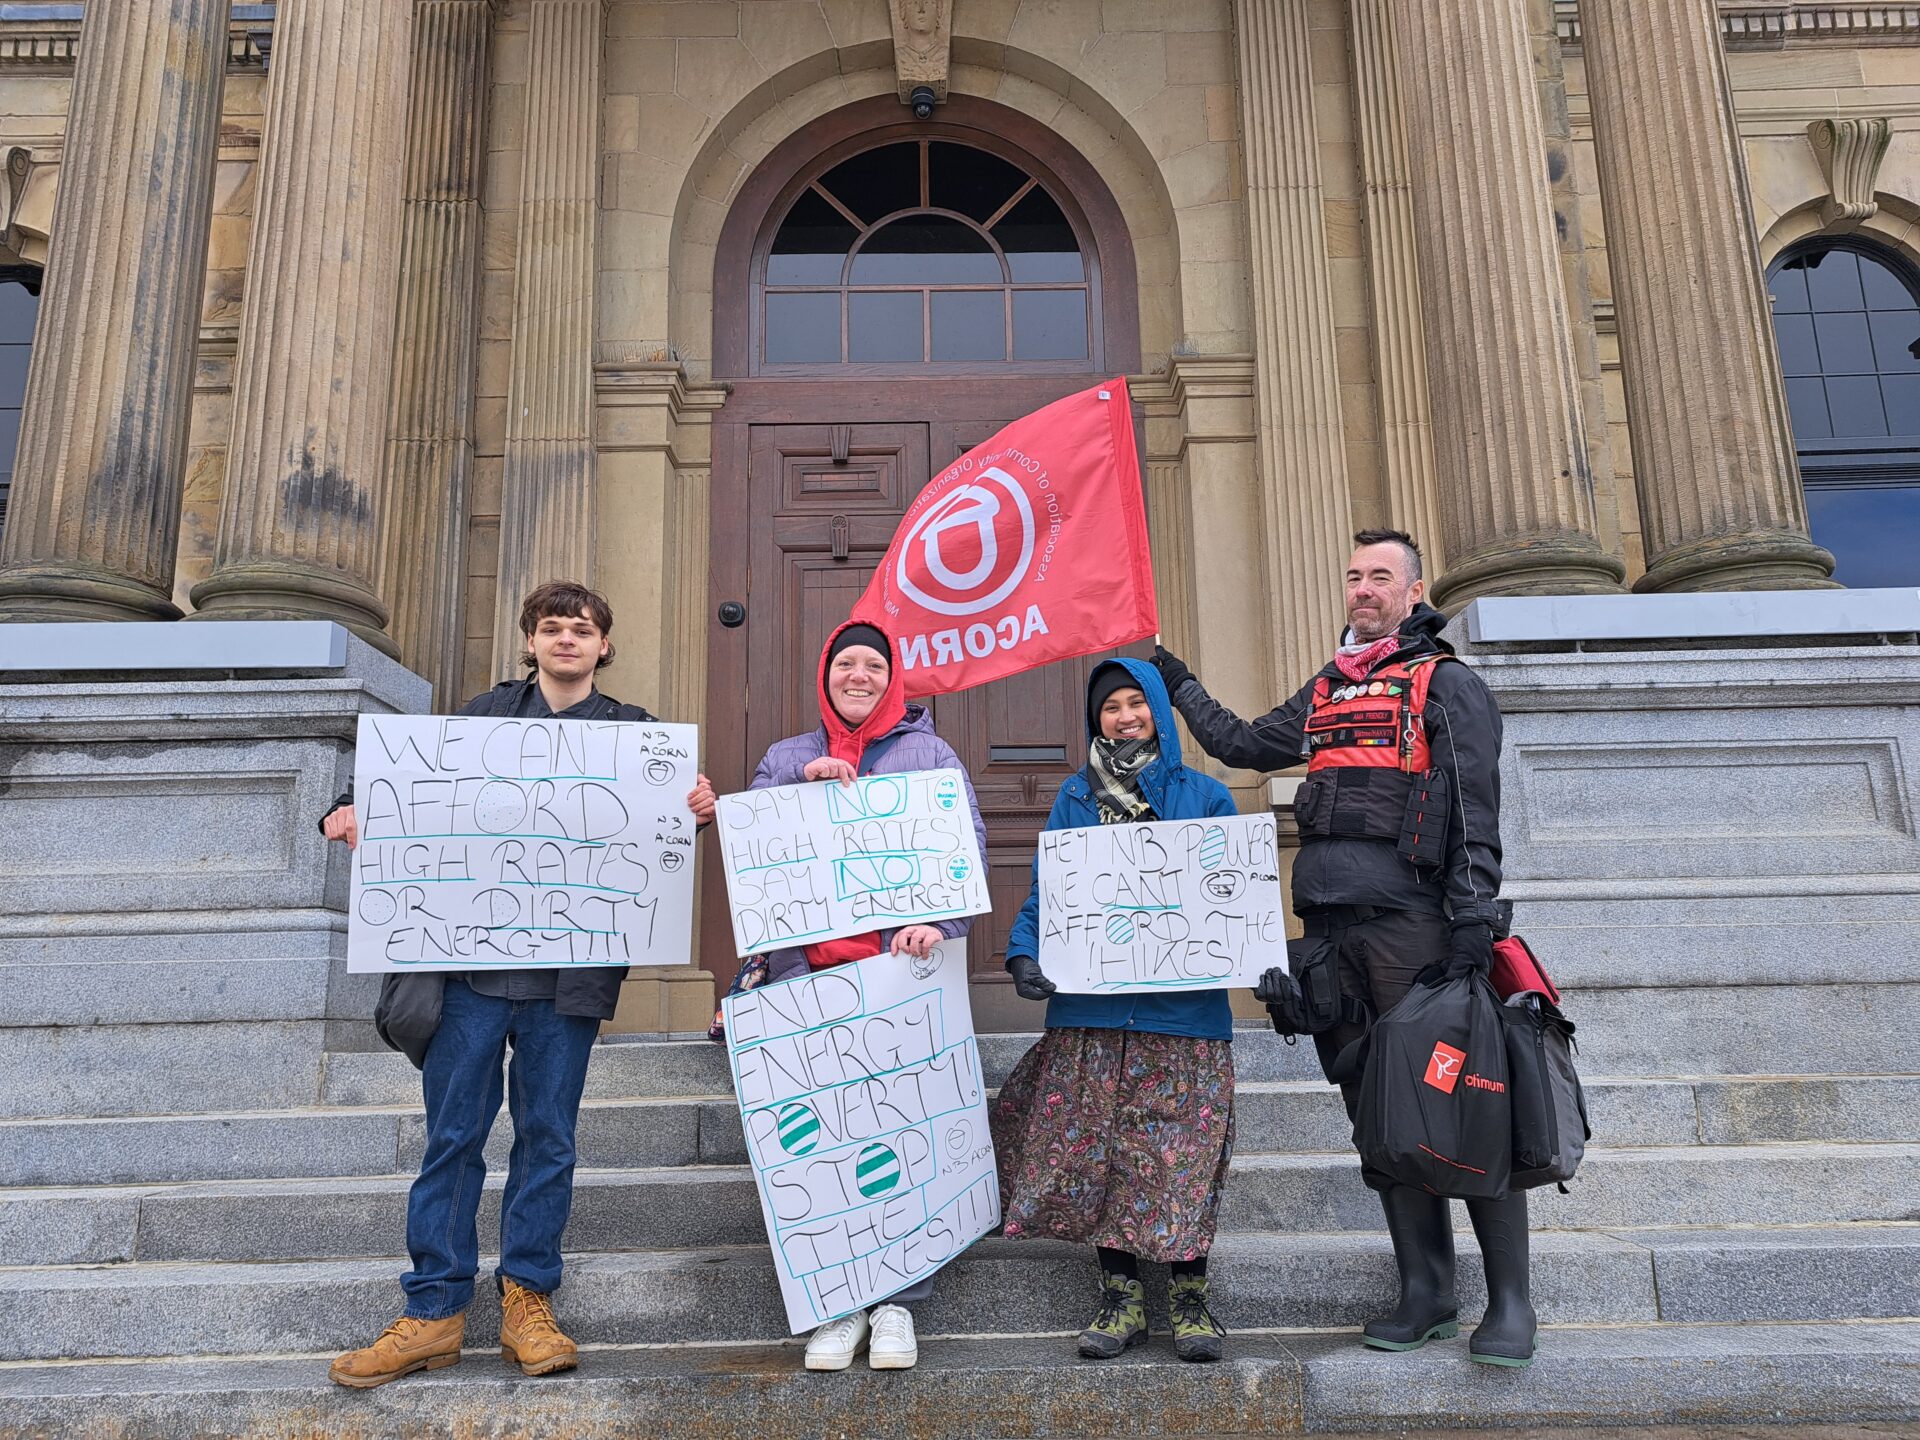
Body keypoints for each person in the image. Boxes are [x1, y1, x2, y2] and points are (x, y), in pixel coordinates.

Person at [318, 581, 718, 1388]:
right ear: (530, 643)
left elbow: (665, 831)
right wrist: (347, 806)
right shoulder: (476, 721)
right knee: (452, 1138)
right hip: (468, 971)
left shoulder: (637, 738)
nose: (566, 640)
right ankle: (433, 1310)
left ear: (604, 646)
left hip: (568, 980)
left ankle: (527, 1299)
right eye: (551, 629)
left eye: (581, 629)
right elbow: (401, 787)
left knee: (549, 1140)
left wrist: (697, 808)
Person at [1151, 529, 1531, 1368]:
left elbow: (1476, 805)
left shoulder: (1448, 684)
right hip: (1332, 938)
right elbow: (1246, 745)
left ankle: (1510, 1305)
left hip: (1417, 934)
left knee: (1465, 1107)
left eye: (1380, 576)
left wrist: (1474, 919)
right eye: (1355, 575)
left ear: (1414, 588)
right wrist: (1175, 679)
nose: (1363, 588)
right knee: (1378, 1118)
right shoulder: (1330, 689)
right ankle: (1425, 1293)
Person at [719, 619, 989, 1374]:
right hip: (806, 982)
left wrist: (934, 921)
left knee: (903, 1139)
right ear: (825, 673)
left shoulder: (930, 753)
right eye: (847, 663)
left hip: (897, 979)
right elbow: (756, 859)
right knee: (825, 1147)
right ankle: (838, 1303)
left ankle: (900, 1300)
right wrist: (799, 796)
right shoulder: (785, 758)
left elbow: (958, 846)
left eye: (874, 664)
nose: (860, 675)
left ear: (892, 677)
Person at [989, 657, 1238, 1364]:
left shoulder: (1207, 796)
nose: (1124, 717)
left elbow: (1231, 897)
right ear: (1094, 720)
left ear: (1158, 709)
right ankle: (1119, 1297)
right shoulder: (1074, 796)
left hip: (1181, 1016)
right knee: (1102, 1157)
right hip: (1094, 1013)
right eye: (1110, 708)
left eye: (1136, 703)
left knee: (1179, 1159)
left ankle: (1190, 1299)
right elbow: (1048, 890)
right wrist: (1023, 954)